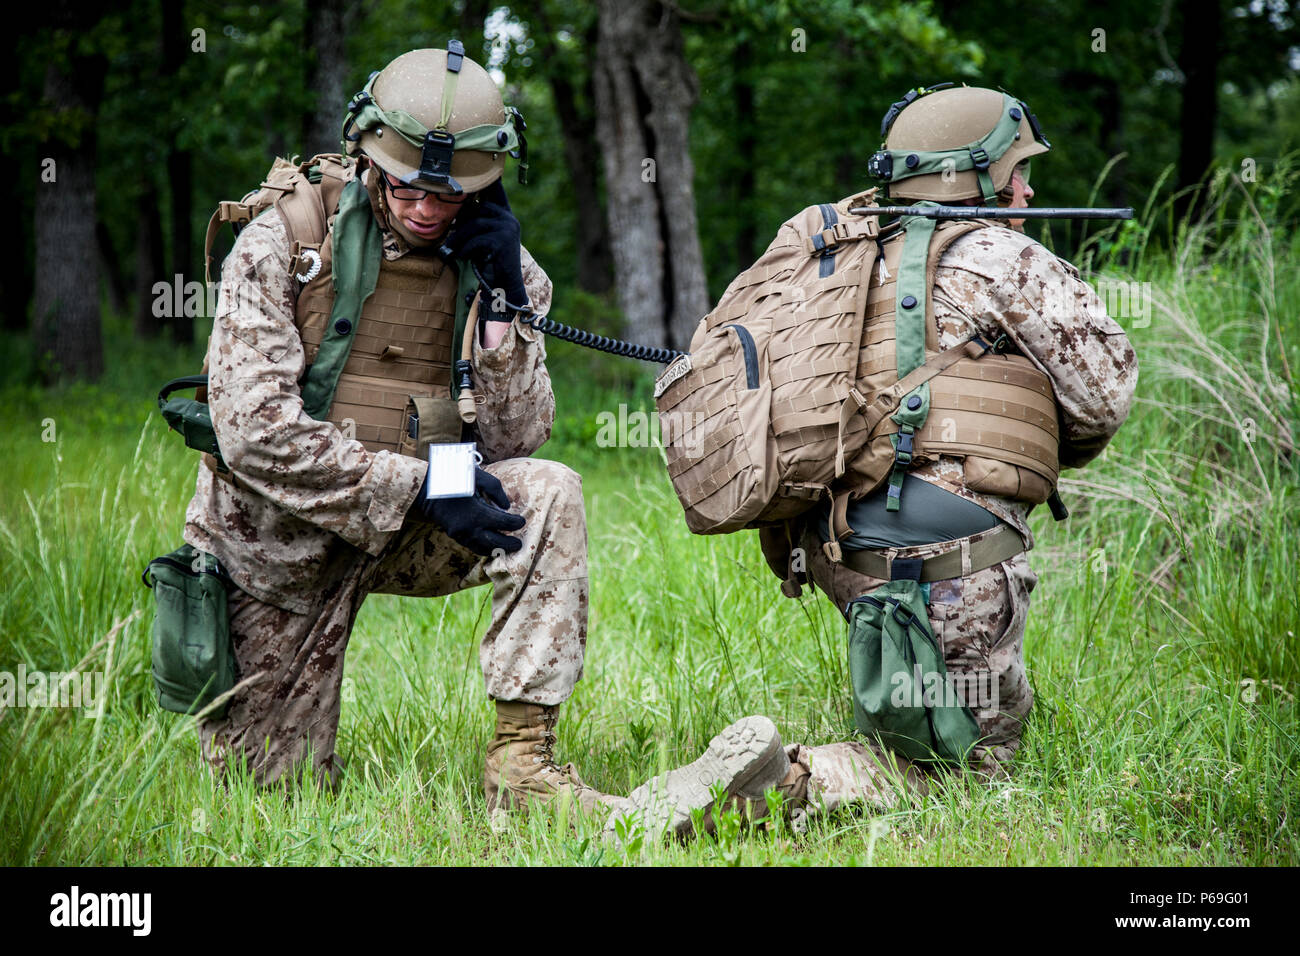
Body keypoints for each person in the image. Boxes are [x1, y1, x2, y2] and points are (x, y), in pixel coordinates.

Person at [609, 84, 1139, 838]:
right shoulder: (1004, 257)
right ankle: (787, 781)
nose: (1029, 187)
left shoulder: (837, 251)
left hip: (834, 548)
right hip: (952, 563)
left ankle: (893, 725)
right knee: (970, 777)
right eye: (1017, 170)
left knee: (966, 711)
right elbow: (1103, 399)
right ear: (975, 176)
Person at [186, 45, 616, 815]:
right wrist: (420, 485)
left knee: (549, 494)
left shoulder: (499, 267)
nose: (426, 208)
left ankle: (523, 766)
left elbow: (519, 441)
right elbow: (255, 433)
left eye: (450, 195)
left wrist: (503, 314)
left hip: (414, 524)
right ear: (369, 159)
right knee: (270, 800)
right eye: (409, 185)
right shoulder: (284, 242)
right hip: (278, 541)